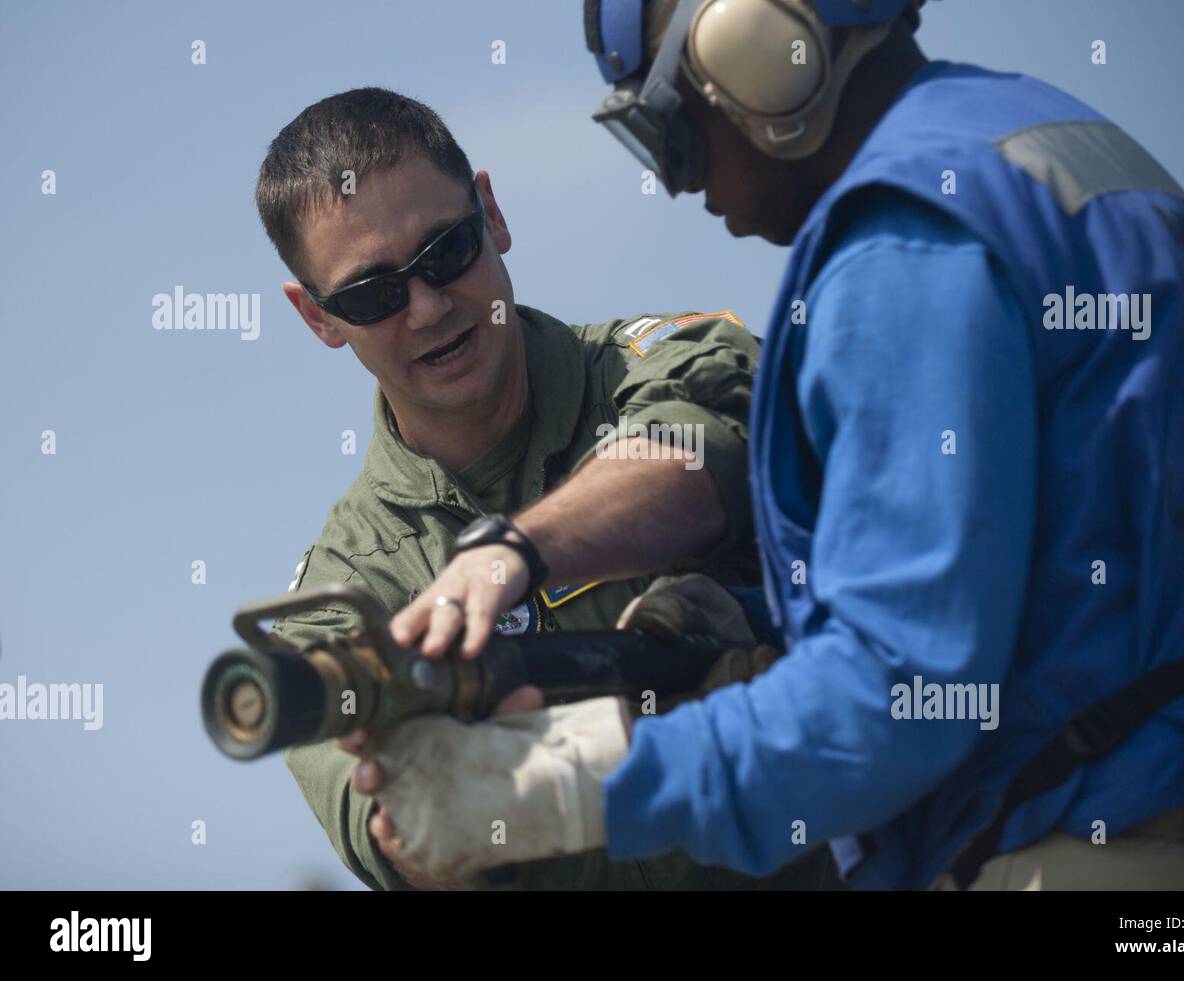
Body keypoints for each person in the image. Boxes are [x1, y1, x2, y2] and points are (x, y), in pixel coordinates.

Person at [339, 0, 1184, 890]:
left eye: (672, 129)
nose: (685, 184)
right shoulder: (1063, 155)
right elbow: (1100, 542)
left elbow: (899, 696)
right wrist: (763, 623)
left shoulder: (901, 244)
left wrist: (552, 781)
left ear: (756, 52)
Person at [255, 86, 840, 891]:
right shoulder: (340, 597)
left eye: (447, 252)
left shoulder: (661, 359)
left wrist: (513, 554)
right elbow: (393, 841)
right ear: (320, 318)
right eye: (373, 294)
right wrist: (440, 806)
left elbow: (701, 443)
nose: (427, 308)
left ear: (491, 213)